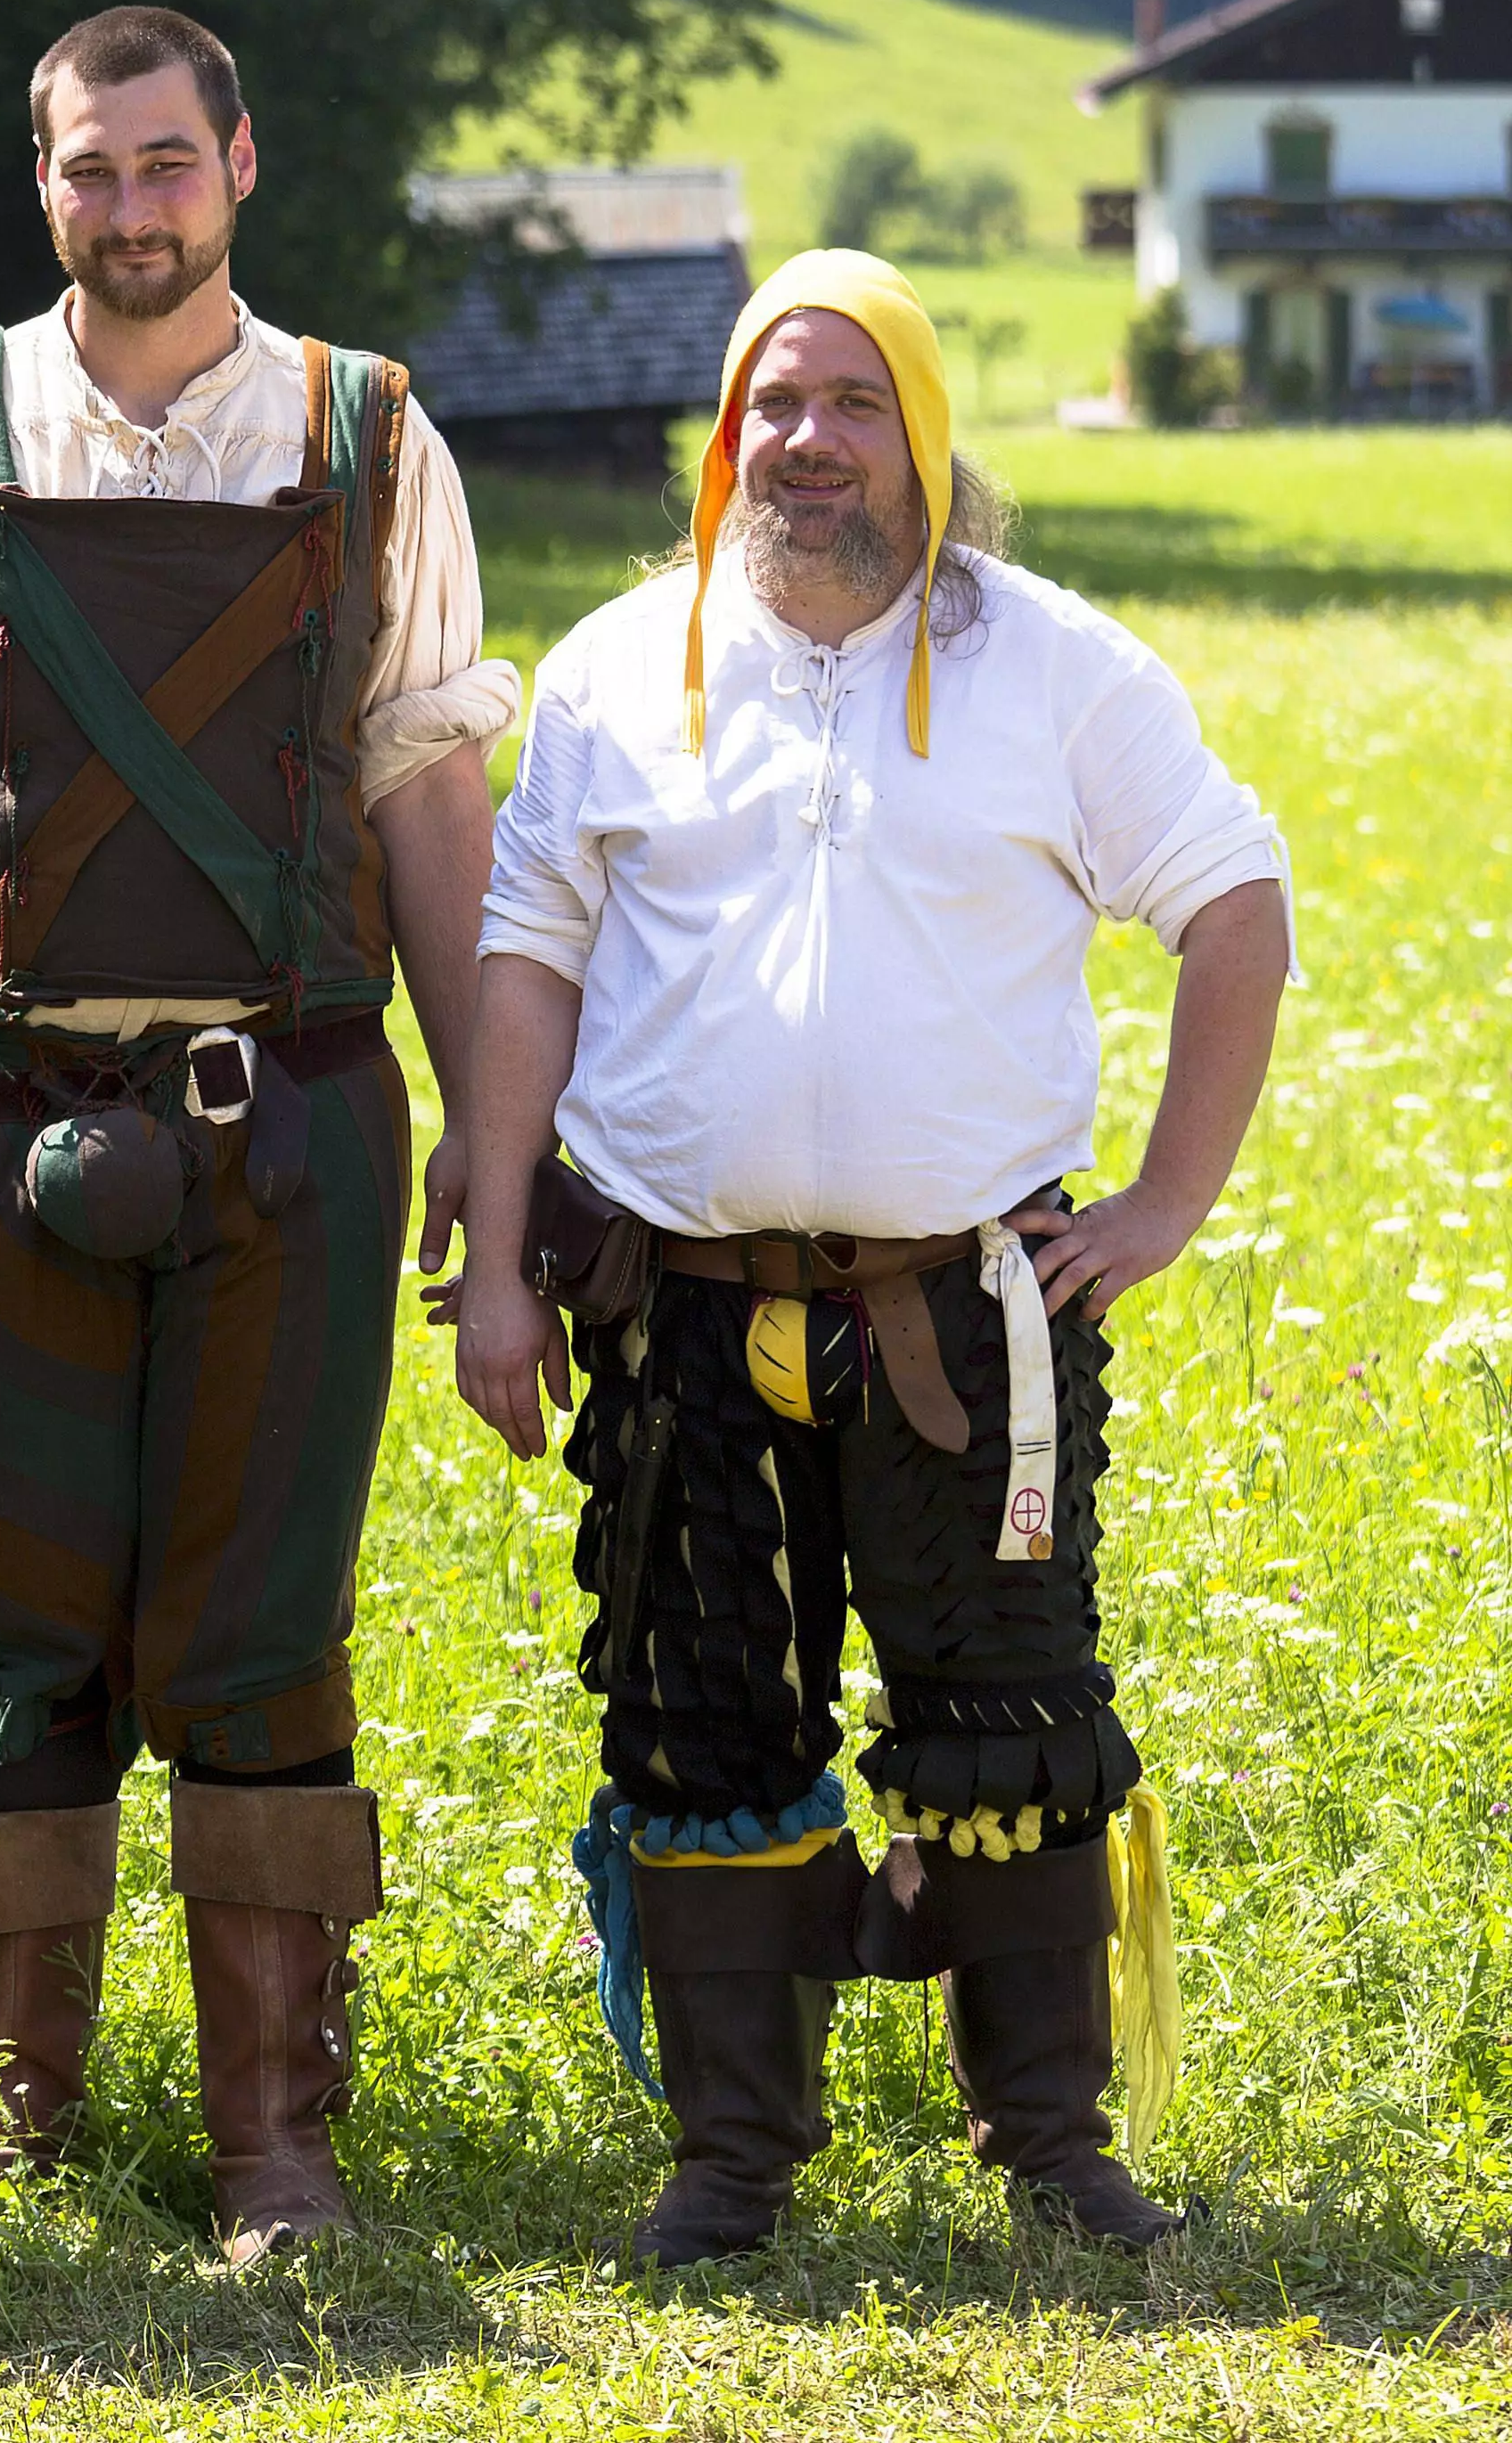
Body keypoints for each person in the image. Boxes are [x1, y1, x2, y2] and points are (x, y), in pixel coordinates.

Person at [0, 5, 516, 2267]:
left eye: (168, 164)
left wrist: (497, 1153)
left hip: (298, 1120)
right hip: (6, 1122)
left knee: (260, 1633)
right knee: (20, 1628)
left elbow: (435, 793)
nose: (130, 208)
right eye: (88, 169)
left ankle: (276, 2147)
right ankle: (0, 2124)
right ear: (37, 178)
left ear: (242, 162)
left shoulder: (369, 436)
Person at [443, 249, 1286, 2263]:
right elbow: (525, 964)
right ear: (724, 438)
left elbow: (1235, 903)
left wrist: (1163, 1207)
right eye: (771, 406)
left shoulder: (1057, 667)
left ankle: (1055, 2143)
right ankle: (735, 2158)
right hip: (683, 1308)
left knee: (1010, 1709)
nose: (803, 443)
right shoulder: (619, 667)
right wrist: (493, 1256)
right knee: (699, 1708)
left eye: (849, 404)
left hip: (974, 1314)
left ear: (921, 433)